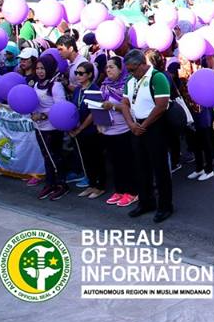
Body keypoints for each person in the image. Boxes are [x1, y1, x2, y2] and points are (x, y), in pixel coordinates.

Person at [122, 49, 174, 223]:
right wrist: (131, 124)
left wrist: (143, 126)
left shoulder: (157, 77)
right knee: (140, 166)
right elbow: (124, 103)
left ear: (143, 64)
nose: (131, 72)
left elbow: (161, 105)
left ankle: (165, 205)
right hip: (137, 125)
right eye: (128, 69)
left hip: (154, 126)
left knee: (160, 168)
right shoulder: (130, 80)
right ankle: (146, 201)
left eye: (134, 69)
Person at [98, 57, 139, 207]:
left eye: (112, 67)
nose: (108, 70)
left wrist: (113, 107)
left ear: (121, 69)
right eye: (107, 67)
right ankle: (120, 190)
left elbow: (129, 107)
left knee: (127, 163)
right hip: (109, 131)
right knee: (114, 163)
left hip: (124, 130)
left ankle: (132, 192)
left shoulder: (127, 85)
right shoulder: (104, 85)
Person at [32, 54, 69, 201]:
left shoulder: (56, 86)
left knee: (55, 156)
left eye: (43, 68)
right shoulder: (36, 84)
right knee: (46, 156)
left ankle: (61, 184)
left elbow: (60, 108)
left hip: (52, 128)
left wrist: (42, 116)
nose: (40, 71)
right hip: (39, 128)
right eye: (38, 68)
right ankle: (50, 183)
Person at [69, 60, 107, 197]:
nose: (78, 76)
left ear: (89, 75)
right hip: (79, 129)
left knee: (96, 158)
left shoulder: (94, 89)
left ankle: (100, 186)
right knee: (86, 158)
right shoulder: (78, 90)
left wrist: (81, 128)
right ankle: (91, 184)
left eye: (81, 73)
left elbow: (93, 113)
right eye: (76, 73)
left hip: (91, 130)